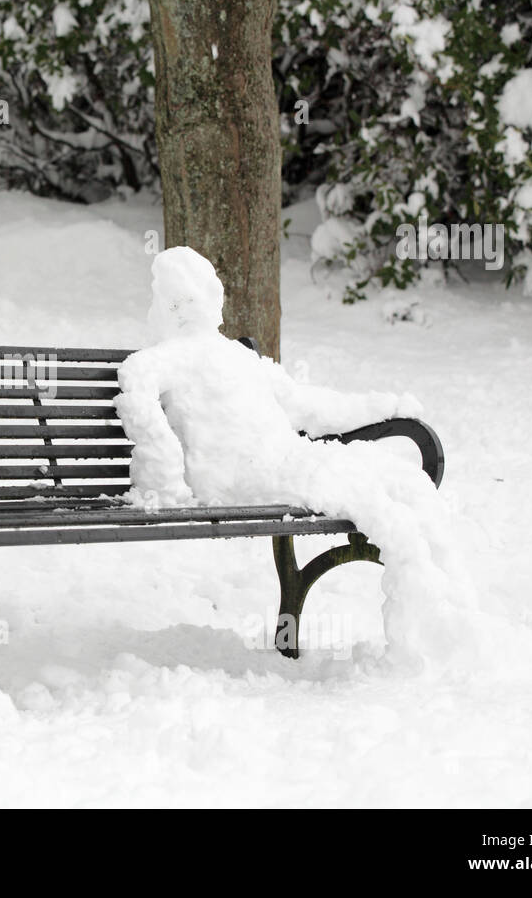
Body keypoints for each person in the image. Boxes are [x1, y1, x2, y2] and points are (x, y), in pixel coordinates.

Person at [114, 247, 481, 669]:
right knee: (376, 500)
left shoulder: (239, 357)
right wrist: (163, 479)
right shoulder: (163, 360)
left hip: (281, 462)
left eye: (193, 296)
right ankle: (427, 637)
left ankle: (455, 619)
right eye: (176, 301)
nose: (186, 308)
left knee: (401, 483)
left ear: (213, 297)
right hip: (242, 477)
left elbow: (306, 405)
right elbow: (136, 395)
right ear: (163, 308)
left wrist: (382, 408)